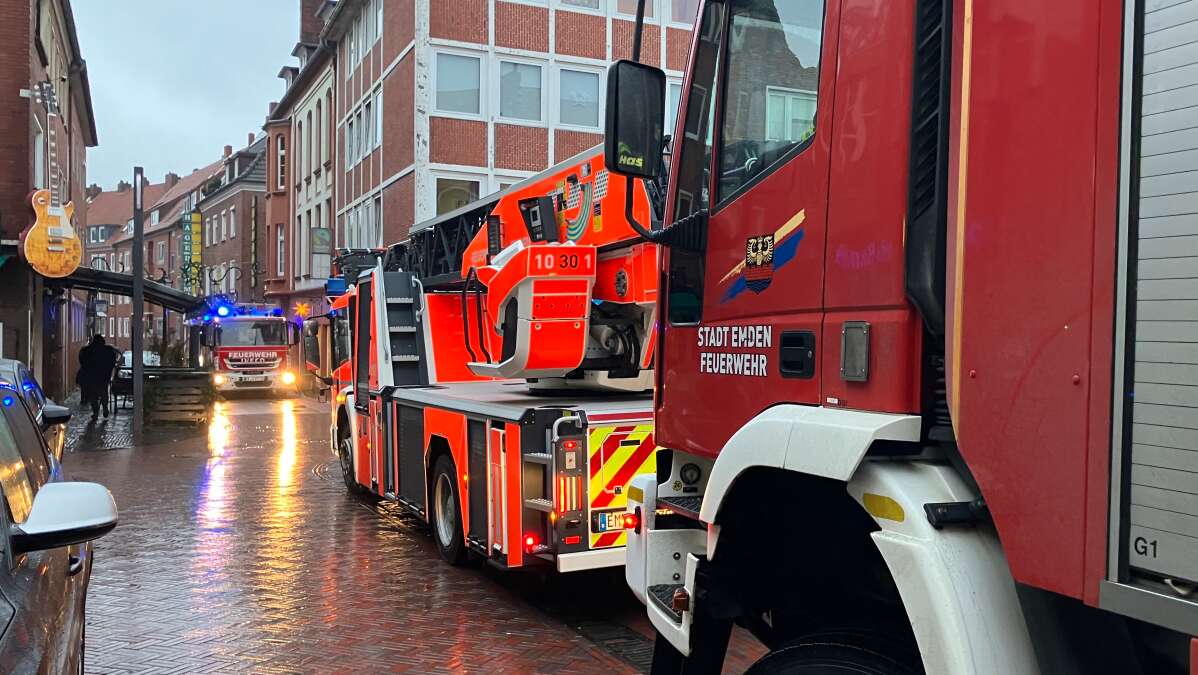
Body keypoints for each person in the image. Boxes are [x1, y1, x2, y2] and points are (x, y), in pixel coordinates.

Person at [78, 335, 121, 420]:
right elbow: (113, 360)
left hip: (92, 377)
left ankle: (96, 412)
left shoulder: (88, 350)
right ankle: (104, 408)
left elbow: (82, 360)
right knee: (104, 392)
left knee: (93, 395)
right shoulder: (108, 350)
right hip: (103, 377)